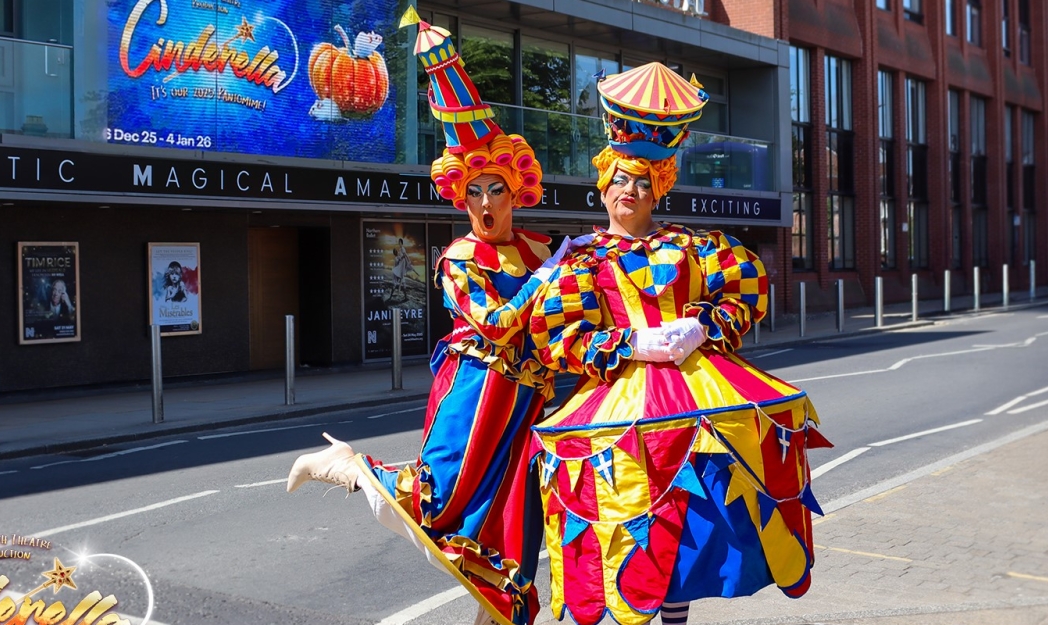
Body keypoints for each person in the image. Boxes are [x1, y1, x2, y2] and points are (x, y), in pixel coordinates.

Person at [285, 10, 564, 625]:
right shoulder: (459, 259)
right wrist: (547, 286)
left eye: (495, 189)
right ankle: (346, 467)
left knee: (516, 526)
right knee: (440, 500)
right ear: (459, 196)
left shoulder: (543, 248)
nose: (485, 203)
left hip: (530, 400)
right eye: (474, 192)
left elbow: (569, 321)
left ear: (516, 191)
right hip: (479, 388)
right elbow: (495, 322)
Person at [527, 63, 830, 625]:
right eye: (621, 178)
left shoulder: (697, 246)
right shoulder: (580, 260)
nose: (631, 192)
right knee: (635, 529)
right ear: (603, 183)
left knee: (688, 528)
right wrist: (632, 342)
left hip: (697, 397)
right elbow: (560, 338)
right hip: (621, 407)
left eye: (644, 182)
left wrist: (703, 327)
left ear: (659, 188)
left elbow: (744, 291)